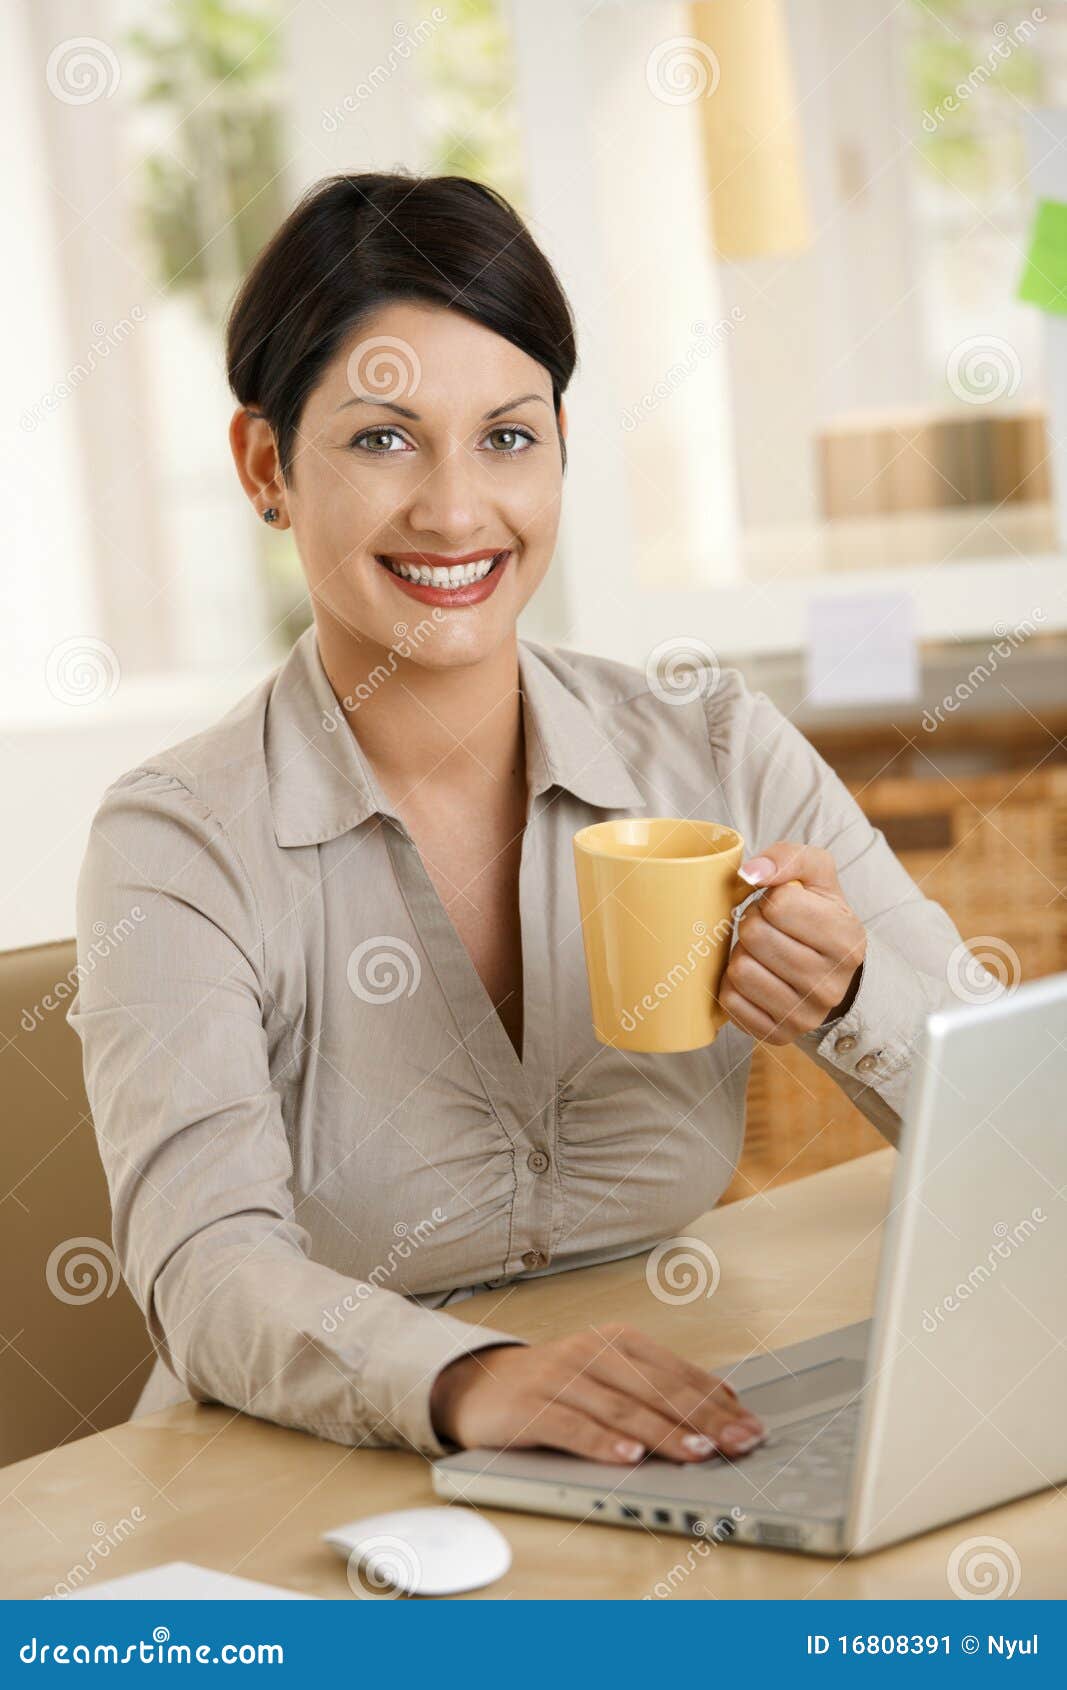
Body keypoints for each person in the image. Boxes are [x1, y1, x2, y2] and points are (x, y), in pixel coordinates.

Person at [68, 172, 965, 1470]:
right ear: (266, 464)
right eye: (383, 438)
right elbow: (205, 1270)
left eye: (507, 435)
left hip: (654, 1432)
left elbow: (1022, 1131)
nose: (455, 509)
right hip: (296, 1474)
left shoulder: (717, 753)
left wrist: (855, 991)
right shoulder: (179, 842)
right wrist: (470, 1381)